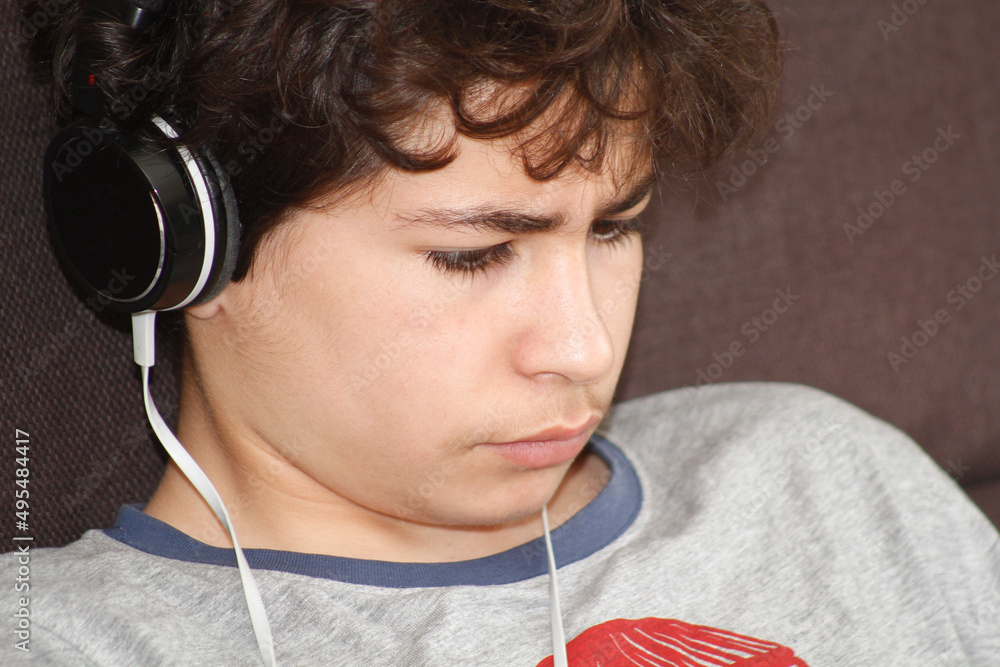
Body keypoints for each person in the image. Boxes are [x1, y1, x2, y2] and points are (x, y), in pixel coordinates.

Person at [4, 0, 999, 664]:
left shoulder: (818, 473)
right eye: (474, 255)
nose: (583, 349)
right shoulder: (59, 639)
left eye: (614, 228)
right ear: (173, 243)